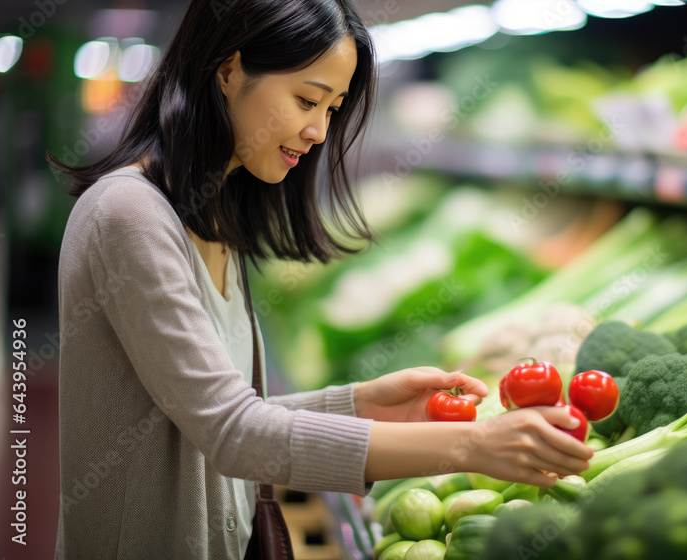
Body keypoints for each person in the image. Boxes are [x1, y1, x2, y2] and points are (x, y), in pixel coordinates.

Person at [49, 0, 593, 558]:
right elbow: (233, 433)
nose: (317, 131)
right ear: (229, 70)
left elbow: (205, 413)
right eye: (307, 99)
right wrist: (468, 443)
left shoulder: (214, 215)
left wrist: (358, 405)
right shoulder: (129, 215)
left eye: (332, 109)